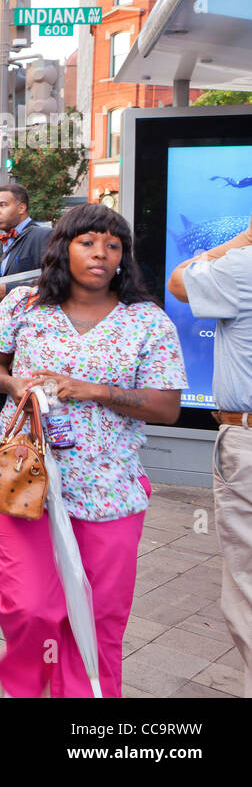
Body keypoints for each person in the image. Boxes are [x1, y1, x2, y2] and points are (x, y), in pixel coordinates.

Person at [0, 203, 185, 698]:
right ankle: (25, 688)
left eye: (113, 246)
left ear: (124, 257)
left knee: (98, 618)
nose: (101, 254)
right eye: (87, 242)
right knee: (31, 606)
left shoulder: (147, 322)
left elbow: (167, 406)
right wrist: (12, 381)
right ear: (62, 248)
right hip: (25, 482)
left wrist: (95, 390)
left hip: (108, 488)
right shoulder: (24, 305)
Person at [167, 211, 252, 697]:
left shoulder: (242, 266)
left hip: (246, 441)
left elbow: (180, 281)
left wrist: (241, 238)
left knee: (245, 585)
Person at [0, 184, 52, 305]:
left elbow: (57, 283)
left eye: (3, 205)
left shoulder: (44, 236)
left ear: (21, 208)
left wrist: (9, 291)